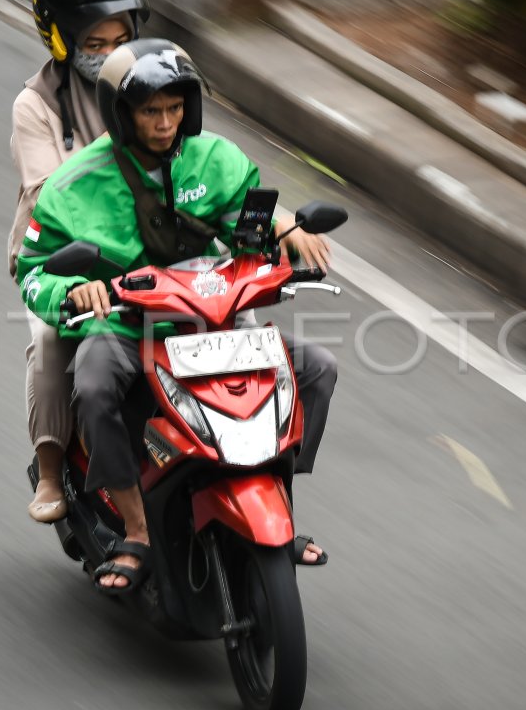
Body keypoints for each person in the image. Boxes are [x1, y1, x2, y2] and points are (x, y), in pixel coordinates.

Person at [17, 39, 336, 593]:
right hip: (124, 328)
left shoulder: (217, 158)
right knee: (93, 386)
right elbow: (33, 272)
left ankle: (278, 504)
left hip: (207, 322)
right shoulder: (72, 187)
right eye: (150, 111)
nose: (165, 124)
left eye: (174, 108)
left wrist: (283, 235)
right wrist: (75, 292)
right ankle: (136, 532)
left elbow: (248, 226)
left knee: (315, 369)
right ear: (122, 114)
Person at [9, 0, 149, 525]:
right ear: (63, 40)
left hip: (147, 247)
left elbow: (192, 162)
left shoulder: (149, 86)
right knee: (50, 342)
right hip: (64, 254)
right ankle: (48, 470)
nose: (112, 50)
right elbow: (48, 193)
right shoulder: (35, 105)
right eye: (96, 41)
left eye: (122, 37)